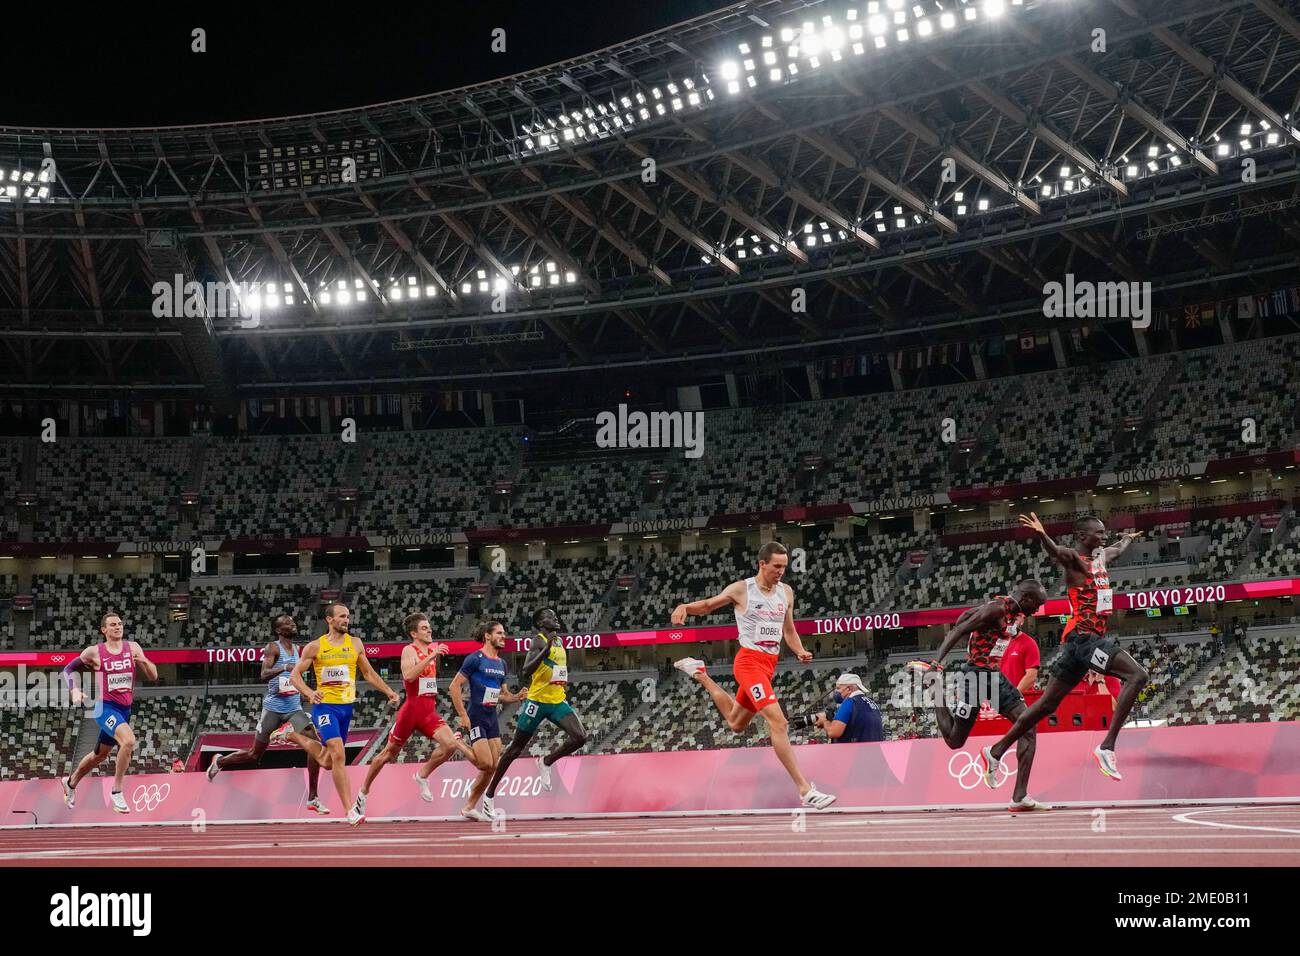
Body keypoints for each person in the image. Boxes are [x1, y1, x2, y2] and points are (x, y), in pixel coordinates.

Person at [979, 514, 1148, 786]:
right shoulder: (1074, 561)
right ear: (1082, 536)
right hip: (1084, 639)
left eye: (1106, 533)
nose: (1105, 537)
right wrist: (1041, 534)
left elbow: (1117, 548)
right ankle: (1106, 748)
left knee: (1047, 703)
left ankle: (995, 751)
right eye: (1099, 532)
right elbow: (1055, 551)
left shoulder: (1101, 558)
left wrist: (1128, 538)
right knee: (1138, 676)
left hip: (1076, 646)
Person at [671, 541, 836, 810]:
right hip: (748, 663)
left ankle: (700, 673)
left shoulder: (786, 593)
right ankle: (805, 790)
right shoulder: (742, 589)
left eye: (784, 566)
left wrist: (800, 650)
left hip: (768, 666)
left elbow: (789, 630)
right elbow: (709, 605)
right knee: (779, 723)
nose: (781, 571)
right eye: (776, 566)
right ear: (762, 564)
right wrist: (685, 606)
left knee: (736, 723)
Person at [908, 580, 1051, 810]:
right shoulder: (996, 609)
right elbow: (958, 628)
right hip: (974, 677)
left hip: (994, 677)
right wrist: (936, 662)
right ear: (1025, 598)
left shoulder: (1012, 611)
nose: (1037, 611)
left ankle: (1019, 795)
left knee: (1028, 726)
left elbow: (966, 615)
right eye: (1036, 605)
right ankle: (936, 686)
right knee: (955, 740)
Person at [353, 612, 484, 819]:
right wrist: (432, 655)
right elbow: (409, 676)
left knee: (449, 745)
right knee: (388, 754)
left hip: (429, 712)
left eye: (429, 626)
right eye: (424, 628)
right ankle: (363, 793)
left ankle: (422, 775)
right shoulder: (409, 650)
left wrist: (432, 654)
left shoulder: (431, 649)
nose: (429, 630)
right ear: (414, 633)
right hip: (411, 712)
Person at [206, 613, 330, 814]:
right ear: (279, 630)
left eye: (293, 621)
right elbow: (263, 674)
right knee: (255, 755)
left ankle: (313, 797)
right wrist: (285, 667)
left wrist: (306, 692)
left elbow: (295, 679)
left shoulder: (298, 650)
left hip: (293, 708)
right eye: (287, 623)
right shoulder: (273, 647)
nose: (293, 624)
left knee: (314, 744)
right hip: (273, 709)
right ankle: (219, 761)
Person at [289, 602, 400, 825]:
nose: (346, 620)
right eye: (341, 616)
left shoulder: (356, 644)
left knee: (329, 762)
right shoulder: (315, 647)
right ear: (329, 620)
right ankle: (350, 810)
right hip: (325, 707)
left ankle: (290, 735)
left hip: (346, 708)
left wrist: (389, 691)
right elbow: (294, 676)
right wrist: (310, 693)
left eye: (348, 616)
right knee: (339, 754)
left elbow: (368, 673)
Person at [480, 608, 588, 820]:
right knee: (515, 749)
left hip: (556, 700)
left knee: (580, 737)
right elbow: (526, 671)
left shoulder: (558, 640)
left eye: (556, 615)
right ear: (540, 623)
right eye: (549, 616)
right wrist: (544, 651)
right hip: (537, 702)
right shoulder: (538, 641)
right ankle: (490, 795)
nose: (555, 617)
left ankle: (546, 761)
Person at [60, 611, 159, 812]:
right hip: (105, 708)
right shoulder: (94, 652)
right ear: (104, 630)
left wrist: (143, 661)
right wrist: (75, 689)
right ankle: (117, 792)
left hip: (125, 710)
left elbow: (153, 676)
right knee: (129, 741)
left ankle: (70, 783)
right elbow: (67, 669)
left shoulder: (133, 647)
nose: (118, 627)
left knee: (99, 755)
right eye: (113, 624)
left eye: (120, 623)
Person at [445, 620, 527, 820]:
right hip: (476, 715)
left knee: (493, 766)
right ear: (487, 636)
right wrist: (463, 715)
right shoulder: (475, 659)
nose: (503, 636)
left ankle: (469, 807)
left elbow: (503, 695)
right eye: (499, 633)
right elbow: (454, 687)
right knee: (484, 764)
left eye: (504, 633)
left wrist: (516, 697)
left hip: (492, 717)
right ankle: (458, 744)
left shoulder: (502, 663)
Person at [813, 674, 883, 743]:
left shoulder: (849, 702)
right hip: (874, 750)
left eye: (838, 688)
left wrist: (824, 721)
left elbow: (833, 732)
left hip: (855, 751)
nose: (836, 692)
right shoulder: (873, 704)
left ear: (849, 689)